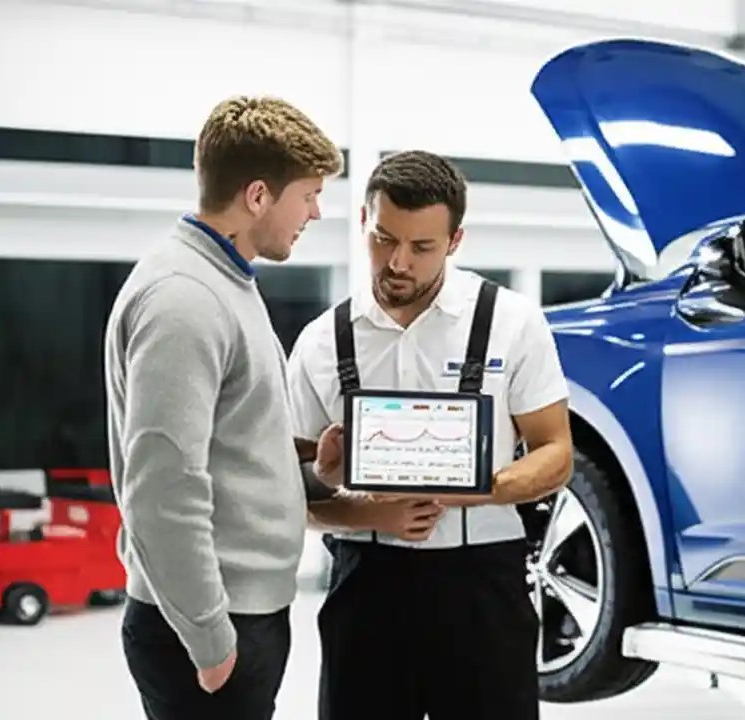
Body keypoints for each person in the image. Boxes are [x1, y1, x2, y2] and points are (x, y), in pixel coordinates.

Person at [287, 150, 574, 720]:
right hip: (365, 586)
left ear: (455, 240)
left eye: (421, 247)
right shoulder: (322, 341)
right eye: (383, 239)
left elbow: (556, 453)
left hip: (483, 585)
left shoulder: (512, 322)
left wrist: (483, 488)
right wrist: (351, 498)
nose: (397, 262)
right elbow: (285, 490)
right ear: (364, 224)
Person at [103, 95, 344, 720]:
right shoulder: (185, 299)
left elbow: (232, 450)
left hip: (238, 613)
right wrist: (209, 640)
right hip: (209, 628)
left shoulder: (225, 280)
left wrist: (319, 473)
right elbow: (162, 486)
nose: (316, 211)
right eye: (309, 194)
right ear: (258, 195)